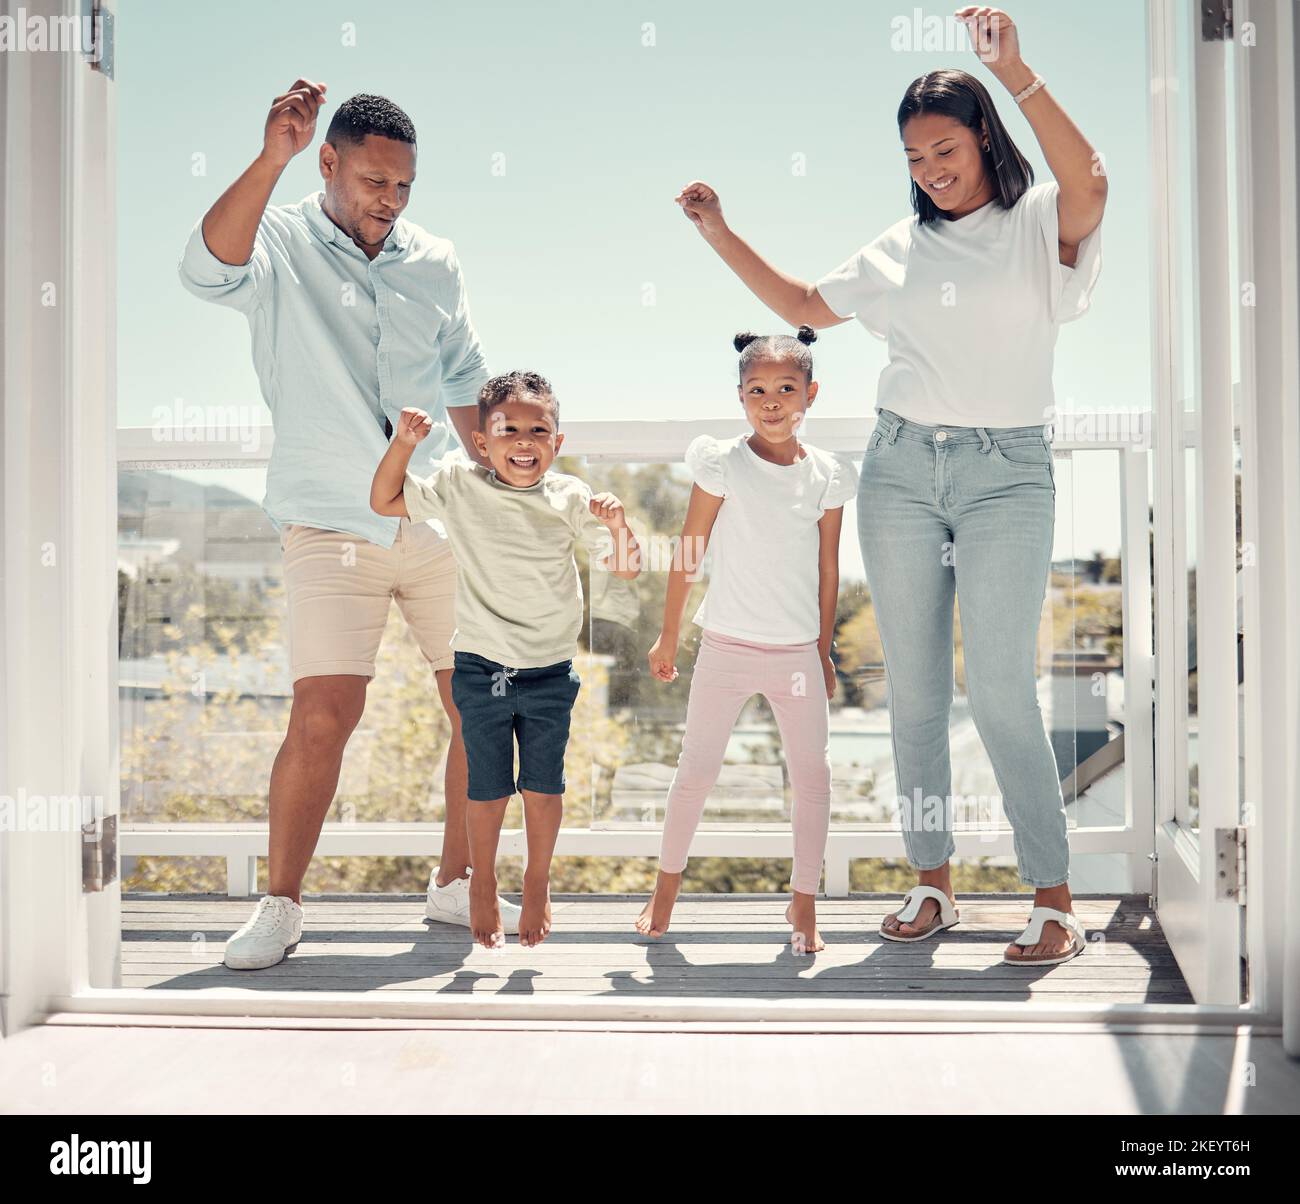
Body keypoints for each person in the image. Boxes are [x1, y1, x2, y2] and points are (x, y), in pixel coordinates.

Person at [671, 7, 1105, 965]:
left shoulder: (1036, 225)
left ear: (985, 138)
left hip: (1006, 475)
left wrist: (1019, 71)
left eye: (944, 148)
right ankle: (931, 881)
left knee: (997, 691)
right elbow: (795, 306)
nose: (930, 169)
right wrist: (717, 229)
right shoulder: (894, 250)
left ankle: (1054, 895)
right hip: (903, 468)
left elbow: (1089, 179)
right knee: (910, 693)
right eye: (913, 156)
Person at [178, 82, 519, 970]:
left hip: (438, 518)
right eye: (373, 181)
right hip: (330, 522)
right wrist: (269, 159)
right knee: (325, 712)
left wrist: (505, 495)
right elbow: (204, 270)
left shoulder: (435, 260)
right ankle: (281, 905)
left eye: (403, 186)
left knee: (478, 709)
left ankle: (454, 885)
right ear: (327, 163)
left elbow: (466, 382)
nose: (389, 201)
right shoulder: (281, 239)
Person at [371, 372, 642, 947]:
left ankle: (539, 882)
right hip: (480, 666)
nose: (524, 441)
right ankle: (482, 881)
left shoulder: (569, 496)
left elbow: (625, 567)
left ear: (557, 441)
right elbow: (383, 499)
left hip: (549, 671)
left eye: (538, 430)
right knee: (487, 789)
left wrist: (618, 525)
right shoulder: (457, 482)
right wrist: (403, 446)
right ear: (481, 442)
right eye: (508, 430)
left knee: (544, 788)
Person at [637, 328, 858, 954]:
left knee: (813, 777)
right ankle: (665, 892)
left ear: (810, 395)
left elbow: (828, 569)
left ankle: (804, 903)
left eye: (786, 389)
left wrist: (821, 651)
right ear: (740, 396)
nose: (772, 401)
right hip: (726, 648)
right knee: (696, 772)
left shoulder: (827, 476)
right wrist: (668, 634)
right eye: (757, 389)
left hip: (795, 656)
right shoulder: (722, 463)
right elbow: (689, 550)